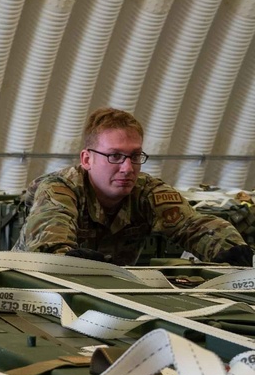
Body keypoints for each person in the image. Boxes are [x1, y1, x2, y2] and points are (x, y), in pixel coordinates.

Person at [15, 107, 254, 266]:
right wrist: (67, 258)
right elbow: (50, 246)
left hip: (110, 290)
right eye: (115, 156)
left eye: (135, 156)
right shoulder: (59, 189)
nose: (128, 168)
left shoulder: (147, 192)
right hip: (36, 290)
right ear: (87, 159)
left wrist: (232, 250)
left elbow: (192, 224)